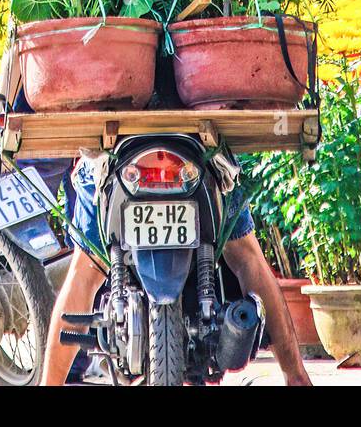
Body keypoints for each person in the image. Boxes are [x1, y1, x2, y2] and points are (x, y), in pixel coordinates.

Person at [41, 159, 312, 387]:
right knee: (246, 255)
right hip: (197, 150)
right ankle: (296, 376)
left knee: (85, 271)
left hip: (121, 153)